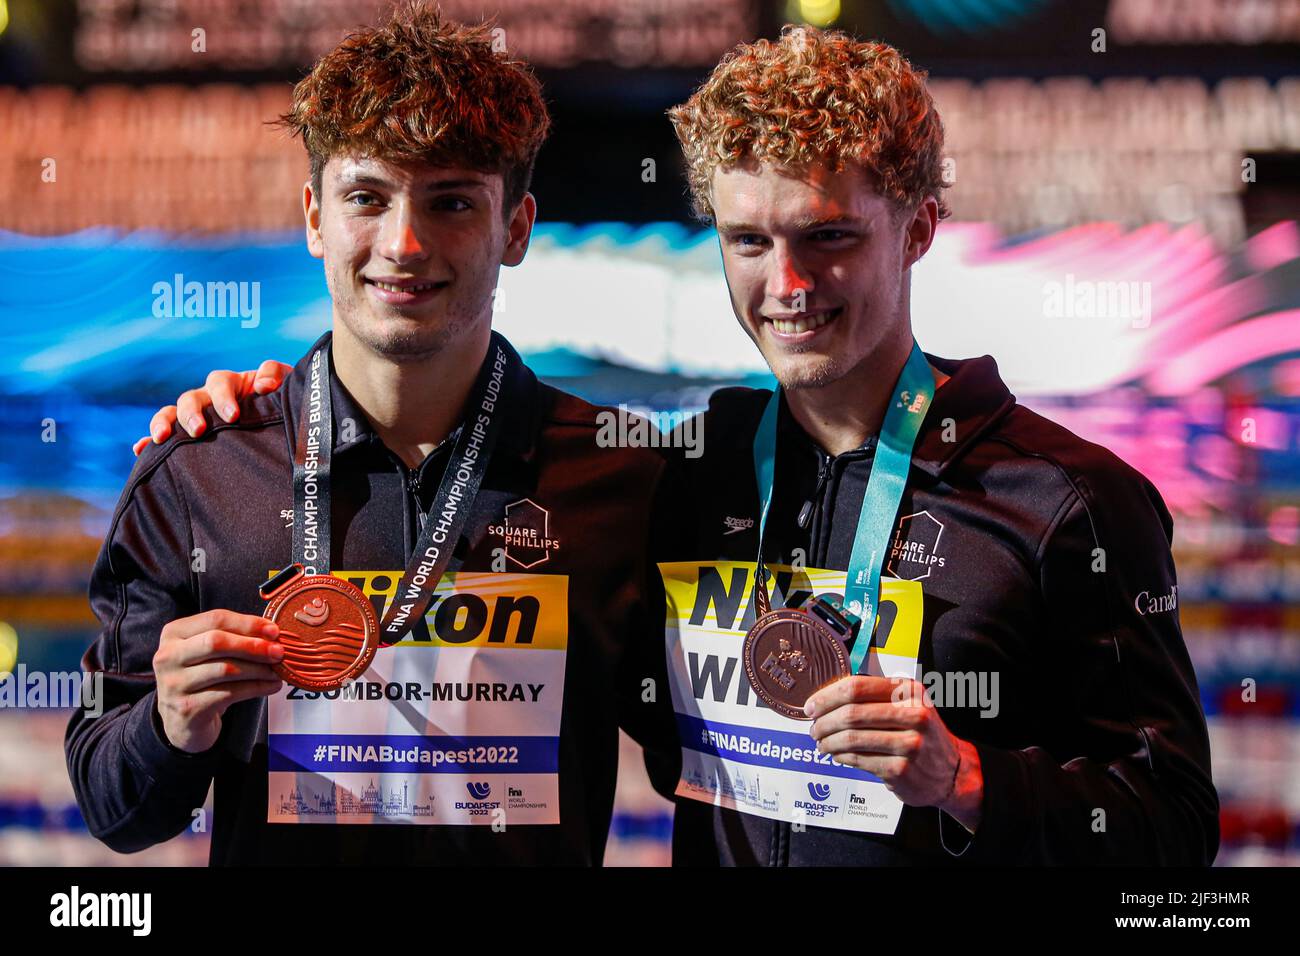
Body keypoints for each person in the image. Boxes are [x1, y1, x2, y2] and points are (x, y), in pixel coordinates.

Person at [144, 25, 1219, 866]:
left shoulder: (1069, 501)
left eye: (829, 235)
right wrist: (277, 408)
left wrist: (967, 780)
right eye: (749, 239)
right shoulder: (689, 473)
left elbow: (1174, 825)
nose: (787, 284)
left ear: (920, 229)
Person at [69, 4, 676, 866]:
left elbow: (716, 768)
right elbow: (112, 808)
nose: (404, 243)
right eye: (366, 198)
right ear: (315, 218)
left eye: (451, 201)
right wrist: (169, 725)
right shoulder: (201, 474)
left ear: (515, 228)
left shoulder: (621, 475)